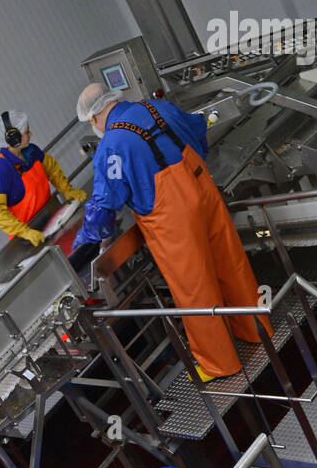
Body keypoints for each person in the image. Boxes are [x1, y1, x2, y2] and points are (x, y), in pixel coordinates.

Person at [72, 82, 272, 380]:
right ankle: (257, 331)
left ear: (95, 118)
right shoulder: (156, 107)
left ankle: (219, 364)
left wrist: (81, 245)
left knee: (194, 288)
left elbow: (103, 209)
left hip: (171, 219)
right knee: (230, 262)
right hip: (203, 191)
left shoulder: (111, 145)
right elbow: (197, 132)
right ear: (113, 99)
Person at [0, 109, 86, 247]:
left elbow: (51, 169)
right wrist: (25, 232)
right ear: (14, 139)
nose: (30, 134)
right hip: (27, 239)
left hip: (50, 219)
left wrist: (67, 190)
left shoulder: (31, 151)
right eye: (27, 132)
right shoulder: (1, 170)